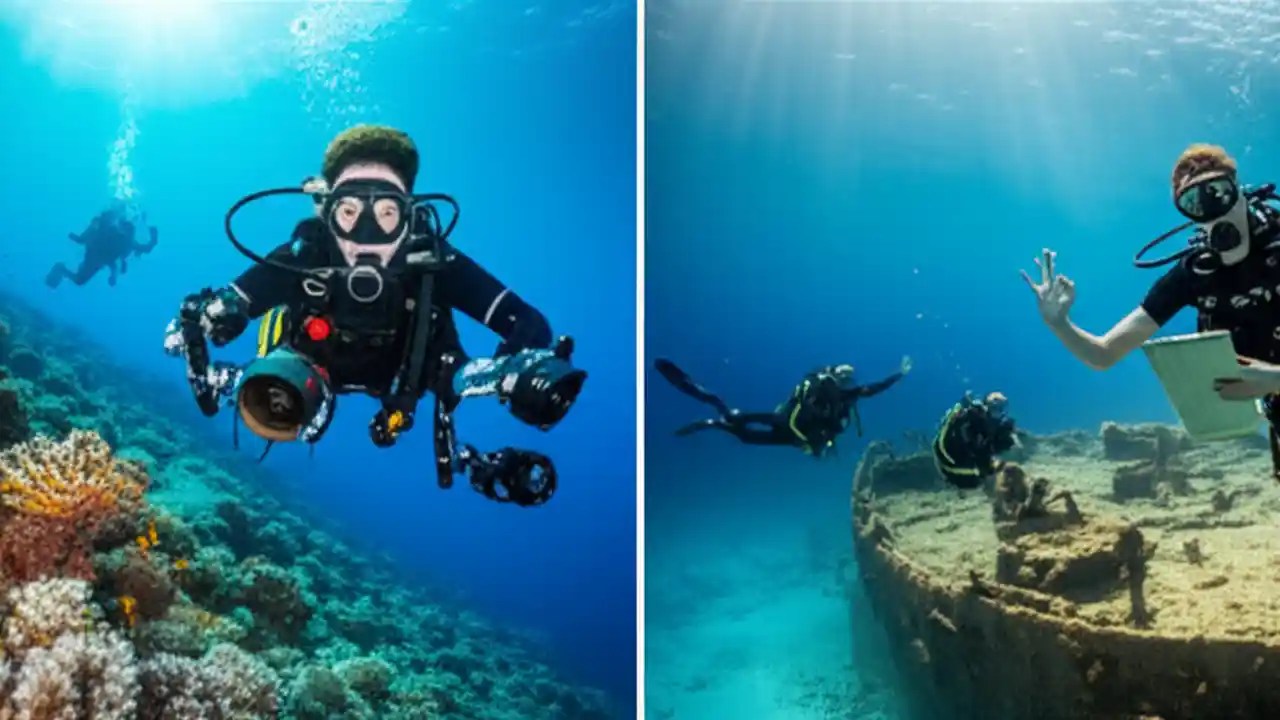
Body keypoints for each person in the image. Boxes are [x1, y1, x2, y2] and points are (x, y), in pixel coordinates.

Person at [162, 124, 587, 506]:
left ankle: (471, 458)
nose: (366, 237)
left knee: (445, 372)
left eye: (386, 213)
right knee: (283, 394)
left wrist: (515, 365)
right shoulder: (305, 253)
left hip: (409, 376)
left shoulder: (435, 261)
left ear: (409, 217)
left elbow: (525, 322)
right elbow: (207, 317)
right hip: (307, 366)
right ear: (328, 213)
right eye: (349, 213)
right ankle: (250, 384)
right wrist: (207, 321)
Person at [1021, 143, 1280, 478]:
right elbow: (1104, 354)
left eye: (1219, 193)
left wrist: (1274, 378)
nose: (1212, 211)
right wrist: (1060, 324)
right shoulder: (1193, 276)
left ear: (1241, 192)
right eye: (1193, 203)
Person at [654, 356, 911, 456]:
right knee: (740, 422)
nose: (846, 381)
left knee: (744, 435)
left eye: (848, 378)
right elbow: (873, 389)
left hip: (795, 436)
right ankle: (713, 402)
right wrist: (899, 374)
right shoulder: (826, 387)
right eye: (843, 376)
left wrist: (898, 374)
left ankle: (715, 423)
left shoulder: (848, 394)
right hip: (788, 422)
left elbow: (875, 389)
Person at [46, 202, 158, 288]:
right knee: (79, 280)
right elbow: (93, 231)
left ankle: (60, 269)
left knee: (79, 280)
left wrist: (114, 275)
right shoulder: (115, 231)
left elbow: (113, 261)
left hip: (96, 256)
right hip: (95, 254)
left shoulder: (127, 241)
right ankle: (60, 269)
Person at [932, 391, 1018, 489]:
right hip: (959, 470)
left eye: (1002, 408)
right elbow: (973, 450)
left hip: (972, 467)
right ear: (985, 407)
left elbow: (995, 448)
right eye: (995, 408)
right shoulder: (971, 421)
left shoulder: (998, 428)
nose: (998, 413)